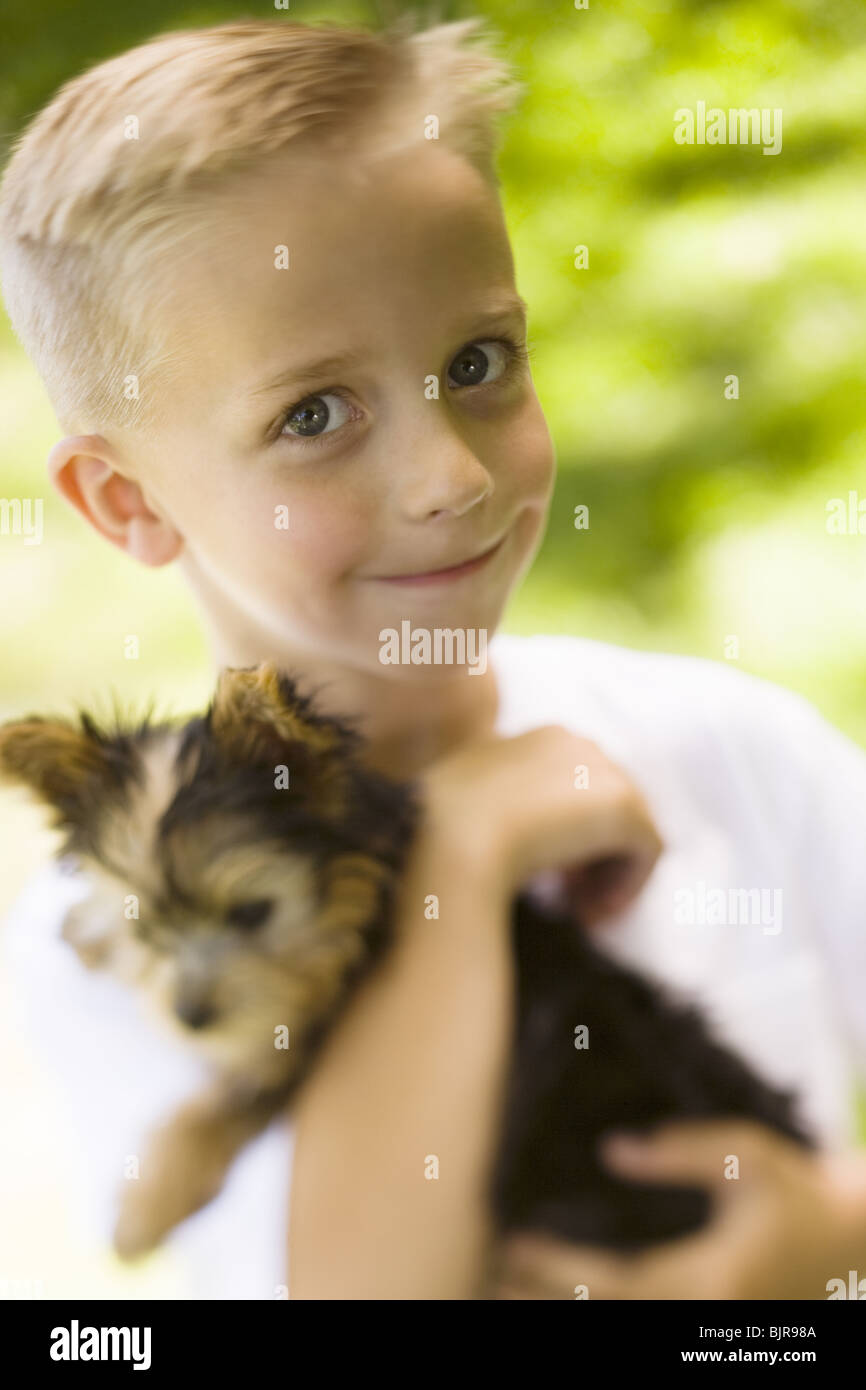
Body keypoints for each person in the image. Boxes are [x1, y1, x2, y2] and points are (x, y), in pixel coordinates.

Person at [1, 17, 865, 1301]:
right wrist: (458, 847)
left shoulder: (735, 749)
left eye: (476, 364)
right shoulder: (118, 942)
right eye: (312, 414)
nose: (450, 475)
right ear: (130, 503)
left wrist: (828, 1228)